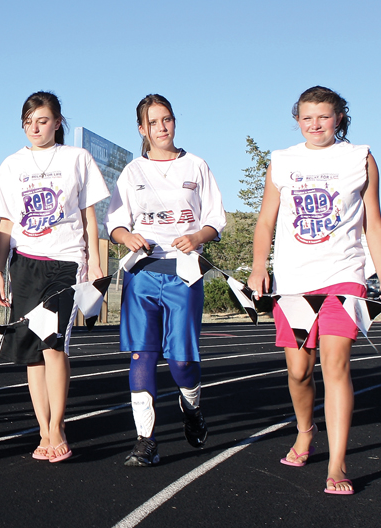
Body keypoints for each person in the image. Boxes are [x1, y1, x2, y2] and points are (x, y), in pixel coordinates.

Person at [248, 86, 381, 495]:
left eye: (324, 116)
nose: (315, 124)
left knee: (336, 367)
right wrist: (258, 267)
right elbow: (265, 221)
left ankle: (337, 464)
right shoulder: (282, 161)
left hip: (343, 277)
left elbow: (373, 223)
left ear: (339, 119)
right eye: (307, 117)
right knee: (299, 371)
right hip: (294, 283)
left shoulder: (360, 157)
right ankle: (305, 429)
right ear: (297, 119)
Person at [105, 94, 226, 467]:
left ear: (175, 122)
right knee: (142, 354)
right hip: (143, 274)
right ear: (142, 129)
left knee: (181, 362)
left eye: (167, 119)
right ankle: (146, 441)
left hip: (184, 274)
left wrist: (198, 237)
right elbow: (115, 223)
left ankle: (191, 407)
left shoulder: (196, 165)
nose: (162, 127)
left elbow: (215, 219)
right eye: (153, 122)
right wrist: (127, 238)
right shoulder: (132, 172)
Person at [0, 91, 108, 462]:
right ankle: (42, 430)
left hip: (66, 262)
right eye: (29, 122)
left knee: (53, 344)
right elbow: (6, 222)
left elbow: (90, 215)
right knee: (31, 354)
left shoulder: (77, 158)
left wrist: (95, 263)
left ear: (57, 122)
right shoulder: (12, 164)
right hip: (24, 263)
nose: (35, 128)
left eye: (42, 120)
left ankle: (57, 425)